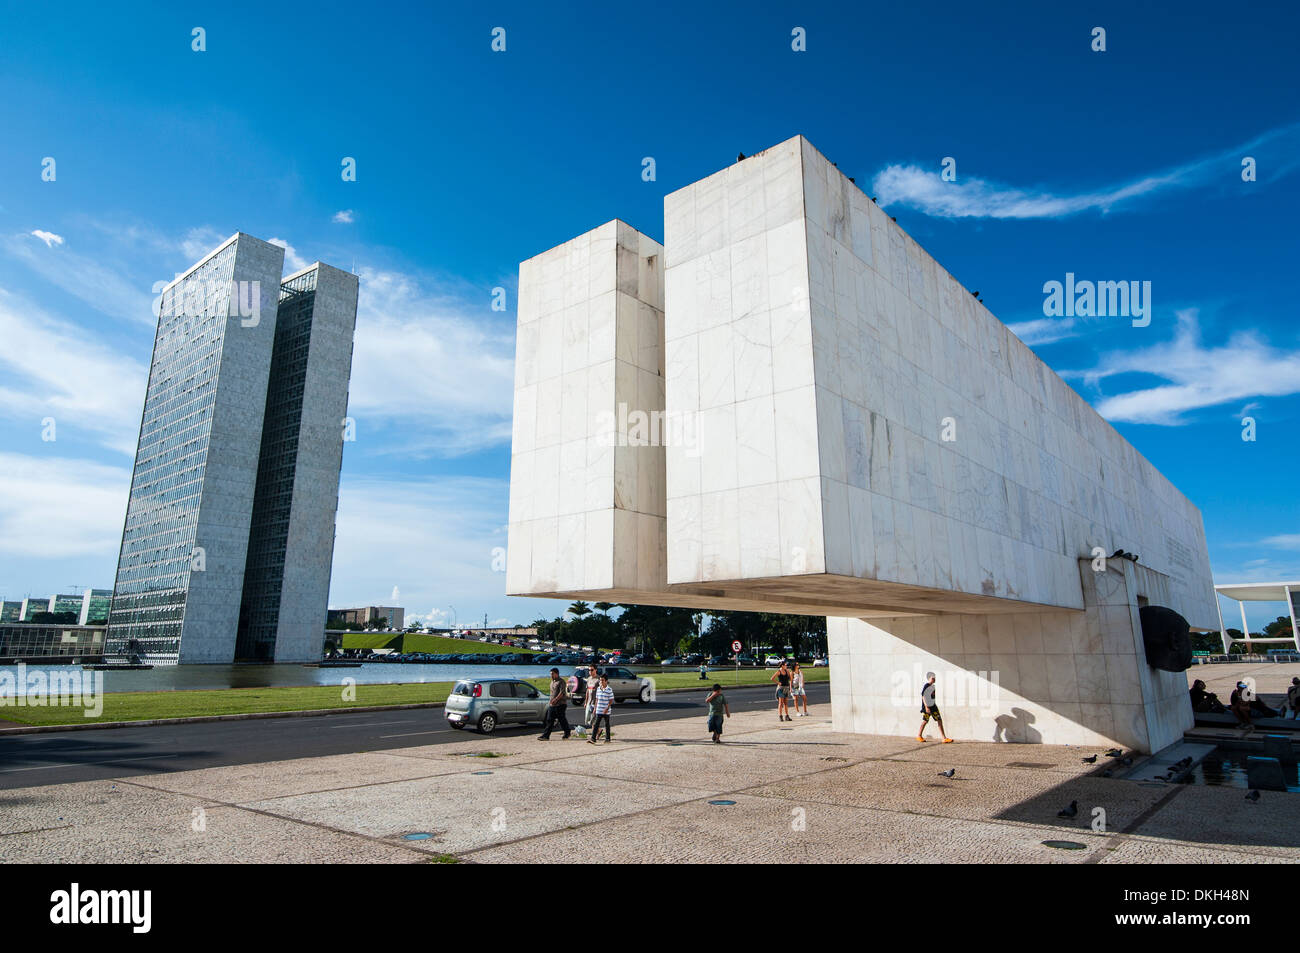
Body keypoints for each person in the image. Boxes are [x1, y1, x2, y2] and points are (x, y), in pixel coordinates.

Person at [917, 671, 953, 743]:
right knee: (925, 721)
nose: (934, 679)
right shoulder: (926, 685)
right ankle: (919, 736)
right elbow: (923, 696)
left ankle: (944, 738)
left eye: (935, 677)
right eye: (933, 677)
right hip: (928, 707)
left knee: (939, 720)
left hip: (933, 707)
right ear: (929, 678)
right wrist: (926, 707)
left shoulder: (933, 687)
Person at [538, 668, 571, 740]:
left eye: (552, 674)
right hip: (552, 705)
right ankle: (546, 735)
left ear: (557, 674)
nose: (551, 675)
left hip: (560, 704)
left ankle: (567, 732)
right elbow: (552, 693)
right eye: (550, 674)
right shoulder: (552, 682)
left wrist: (556, 699)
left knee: (562, 720)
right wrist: (551, 701)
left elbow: (562, 693)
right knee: (549, 720)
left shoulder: (561, 682)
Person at [589, 673, 615, 744]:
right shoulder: (598, 689)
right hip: (599, 709)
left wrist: (607, 708)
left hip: (606, 710)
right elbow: (597, 699)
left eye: (602, 680)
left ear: (606, 681)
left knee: (607, 724)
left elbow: (611, 700)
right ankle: (593, 739)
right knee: (596, 724)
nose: (601, 682)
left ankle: (608, 739)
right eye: (600, 680)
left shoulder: (609, 689)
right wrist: (595, 708)